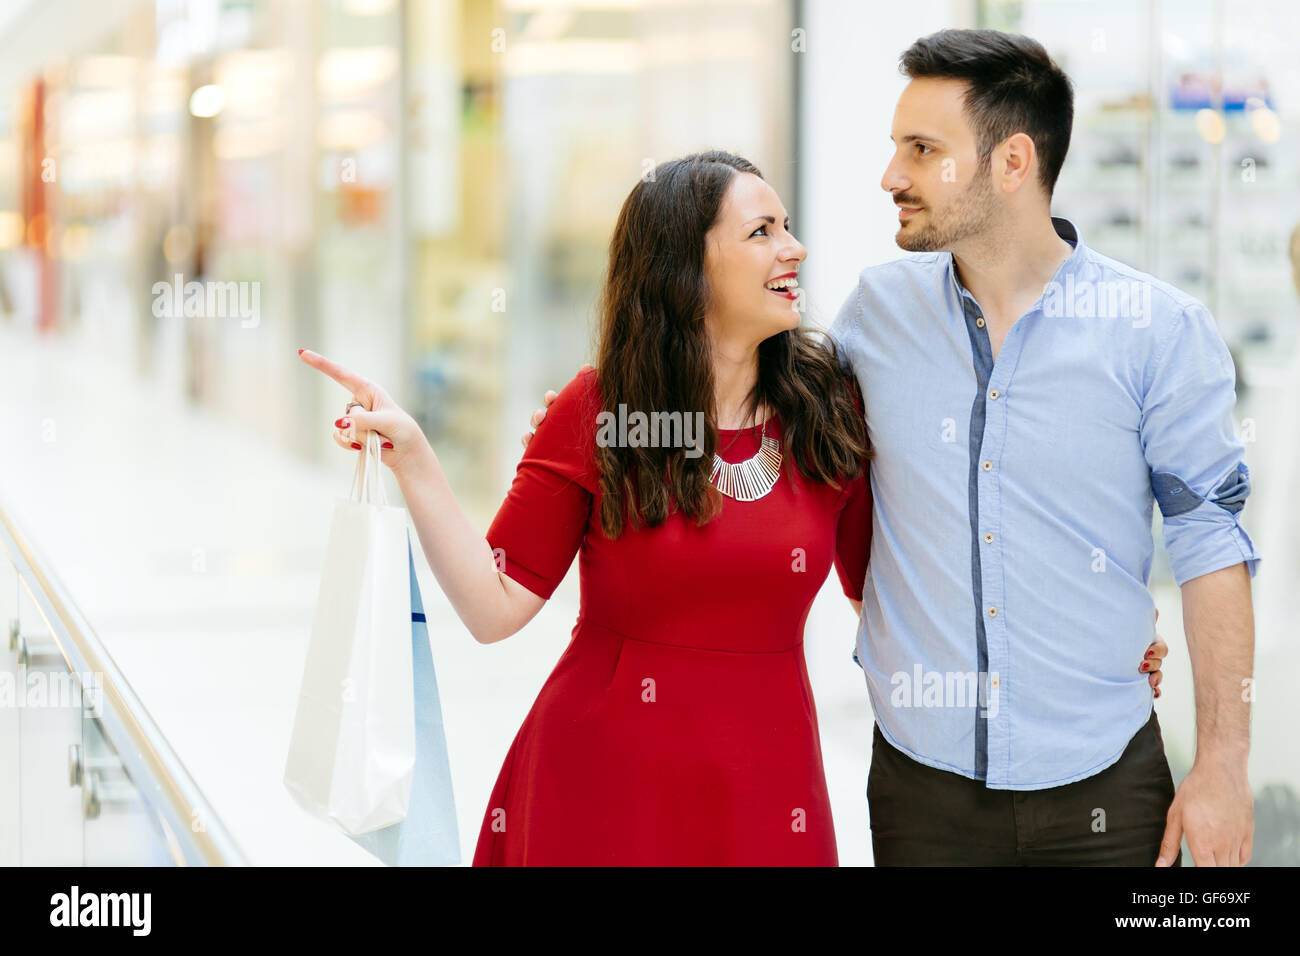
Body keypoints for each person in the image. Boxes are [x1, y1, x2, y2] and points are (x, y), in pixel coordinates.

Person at [531, 30, 1237, 868]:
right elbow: (757, 410)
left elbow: (1213, 549)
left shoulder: (1159, 333)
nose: (891, 175)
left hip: (1108, 786)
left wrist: (1223, 764)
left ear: (1012, 163)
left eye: (922, 150)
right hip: (920, 793)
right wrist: (605, 416)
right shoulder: (877, 317)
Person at [302, 150, 874, 865]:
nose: (795, 248)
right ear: (687, 268)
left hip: (767, 791)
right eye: (762, 232)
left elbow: (880, 601)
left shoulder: (828, 413)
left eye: (786, 227)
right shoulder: (599, 411)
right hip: (602, 783)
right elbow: (495, 603)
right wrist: (415, 458)